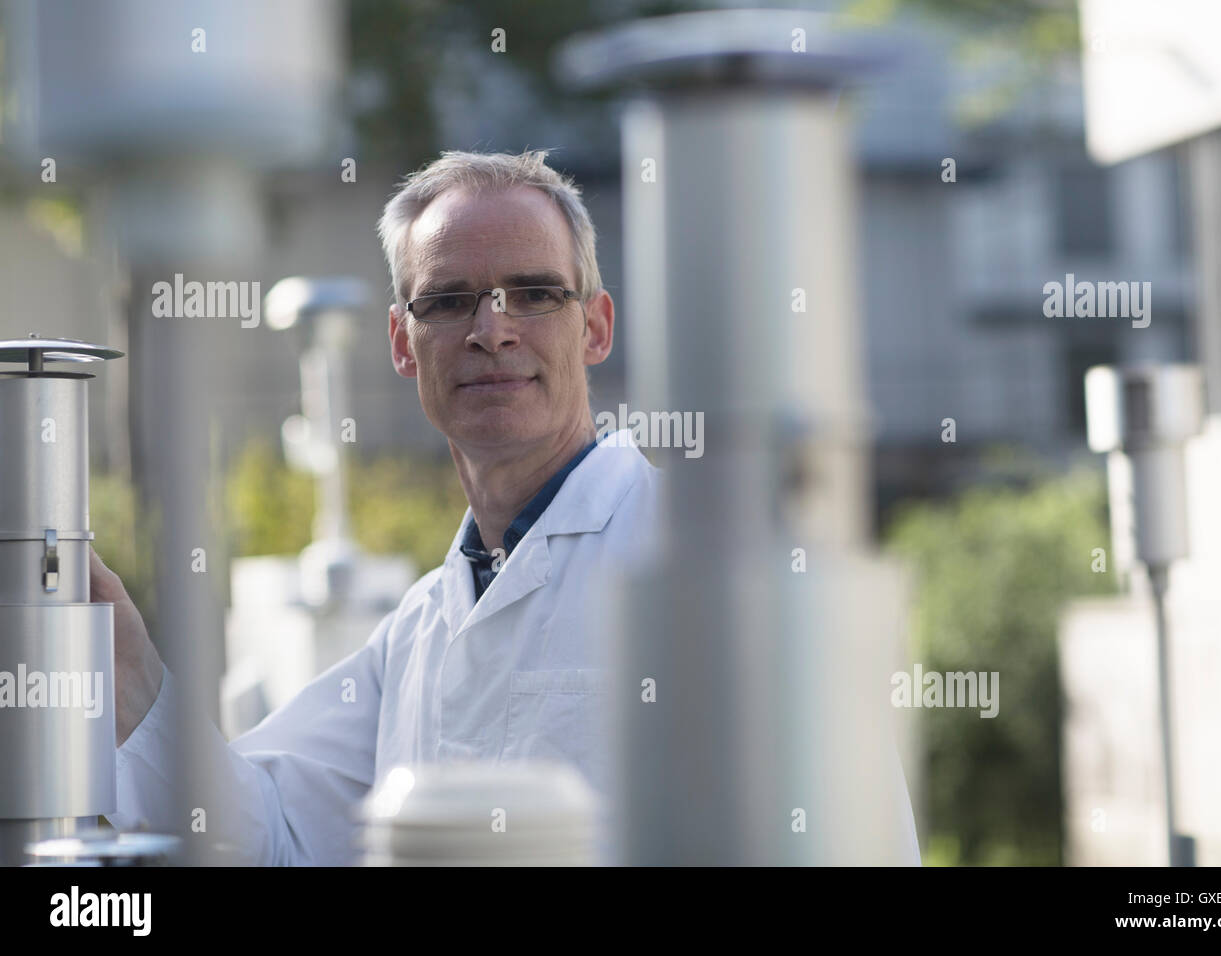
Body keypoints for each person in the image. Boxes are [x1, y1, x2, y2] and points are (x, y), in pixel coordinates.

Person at [97, 149, 920, 865]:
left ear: (595, 328)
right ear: (400, 342)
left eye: (532, 294)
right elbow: (271, 837)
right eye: (448, 300)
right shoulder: (415, 636)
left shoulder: (718, 569)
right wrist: (136, 684)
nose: (492, 330)